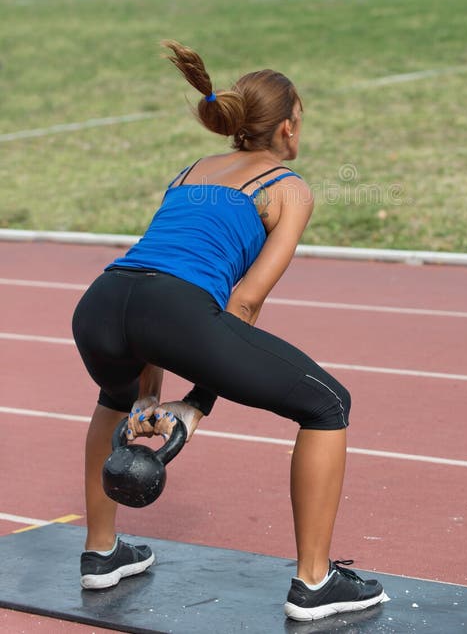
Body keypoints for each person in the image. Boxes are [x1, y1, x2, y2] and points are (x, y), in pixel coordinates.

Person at [72, 41, 387, 621]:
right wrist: (196, 403)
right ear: (288, 127)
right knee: (327, 404)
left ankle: (101, 553)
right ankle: (315, 583)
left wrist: (147, 396)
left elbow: (153, 279)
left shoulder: (190, 171)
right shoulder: (289, 187)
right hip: (169, 310)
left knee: (115, 401)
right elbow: (244, 302)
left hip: (100, 304)